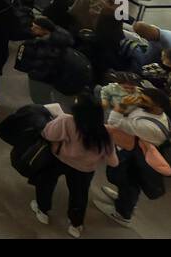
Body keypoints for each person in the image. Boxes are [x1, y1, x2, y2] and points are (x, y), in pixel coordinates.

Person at [30, 93, 119, 237]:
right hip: (85, 169)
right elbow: (113, 162)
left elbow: (48, 134)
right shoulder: (104, 132)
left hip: (58, 159)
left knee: (46, 183)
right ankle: (76, 224)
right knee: (79, 195)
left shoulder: (67, 120)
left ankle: (42, 209)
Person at [95, 84, 171, 226]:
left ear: (158, 107)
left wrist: (123, 104)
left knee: (127, 182)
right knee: (125, 181)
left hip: (135, 156)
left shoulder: (150, 127)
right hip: (132, 148)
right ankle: (123, 198)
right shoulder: (150, 111)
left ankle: (123, 214)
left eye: (144, 101)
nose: (139, 101)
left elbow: (114, 122)